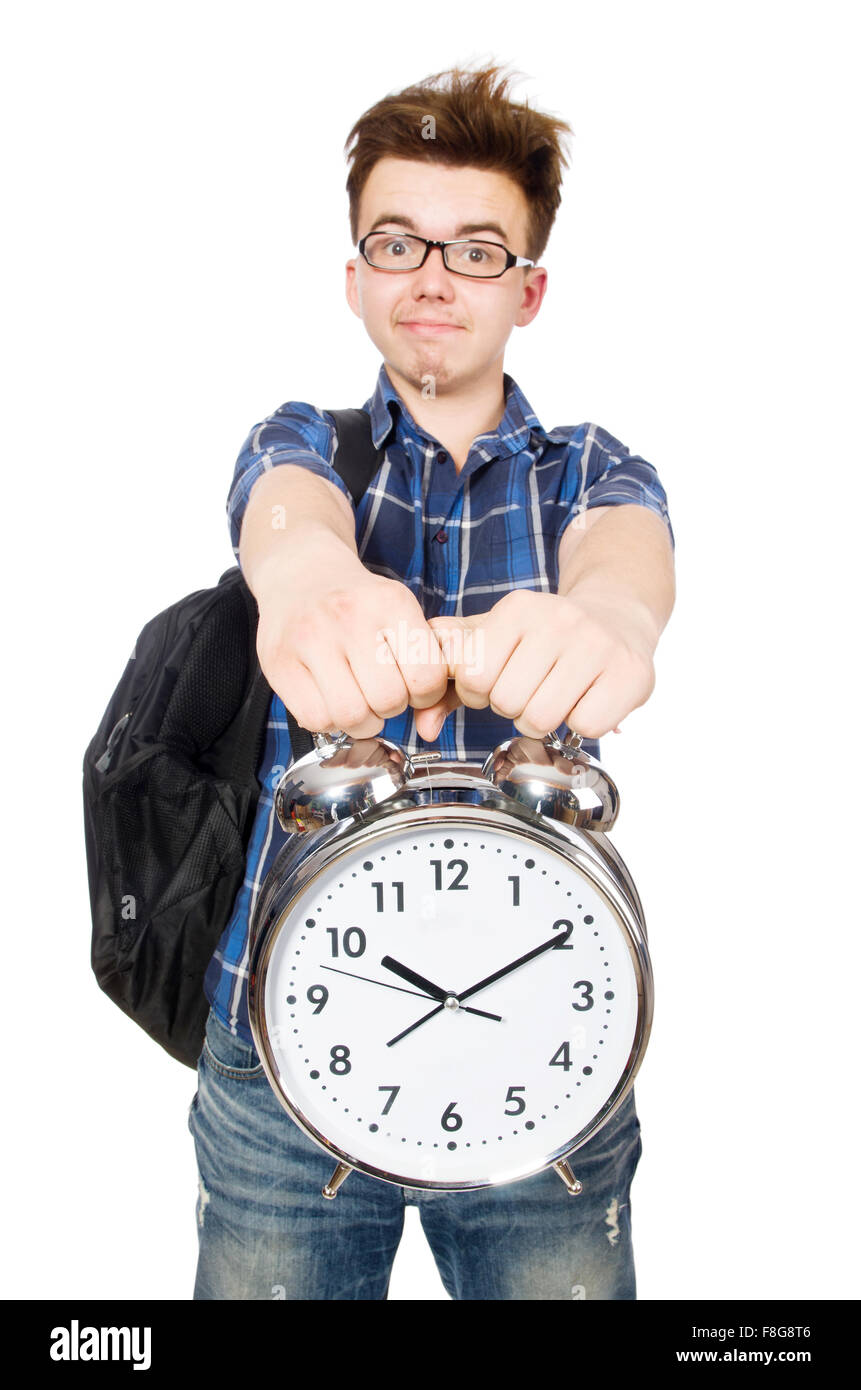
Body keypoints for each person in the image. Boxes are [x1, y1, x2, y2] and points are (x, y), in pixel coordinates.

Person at [189, 63, 676, 1301]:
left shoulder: (590, 470)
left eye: (477, 250)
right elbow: (287, 526)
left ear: (530, 288)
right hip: (277, 1046)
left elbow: (625, 564)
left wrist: (610, 622)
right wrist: (311, 591)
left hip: (546, 1045)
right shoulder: (300, 444)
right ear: (355, 274)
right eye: (398, 241)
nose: (433, 279)